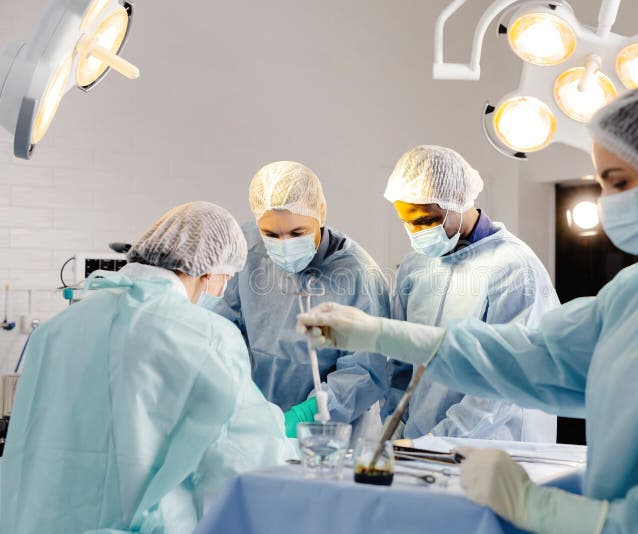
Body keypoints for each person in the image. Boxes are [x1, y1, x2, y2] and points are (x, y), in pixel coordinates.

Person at [299, 78, 638, 533]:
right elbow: (535, 356)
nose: (607, 203)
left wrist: (545, 510)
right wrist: (379, 335)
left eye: (619, 182)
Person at [1, 202, 296, 534]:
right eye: (225, 277)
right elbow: (243, 456)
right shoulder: (206, 336)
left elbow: (26, 451)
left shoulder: (54, 332)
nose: (223, 290)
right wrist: (300, 451)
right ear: (207, 271)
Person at [381, 145, 559, 441]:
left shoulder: (514, 269)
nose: (416, 231)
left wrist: (439, 441)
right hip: (421, 448)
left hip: (499, 445)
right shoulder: (415, 265)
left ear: (458, 201)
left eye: (426, 221)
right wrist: (395, 426)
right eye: (407, 222)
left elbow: (503, 383)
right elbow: (401, 360)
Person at [213, 161, 390, 438]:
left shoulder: (360, 275)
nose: (284, 243)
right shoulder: (248, 247)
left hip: (332, 435)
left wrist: (306, 415)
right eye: (271, 234)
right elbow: (222, 327)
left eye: (297, 233)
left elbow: (365, 371)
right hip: (255, 425)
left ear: (320, 213)